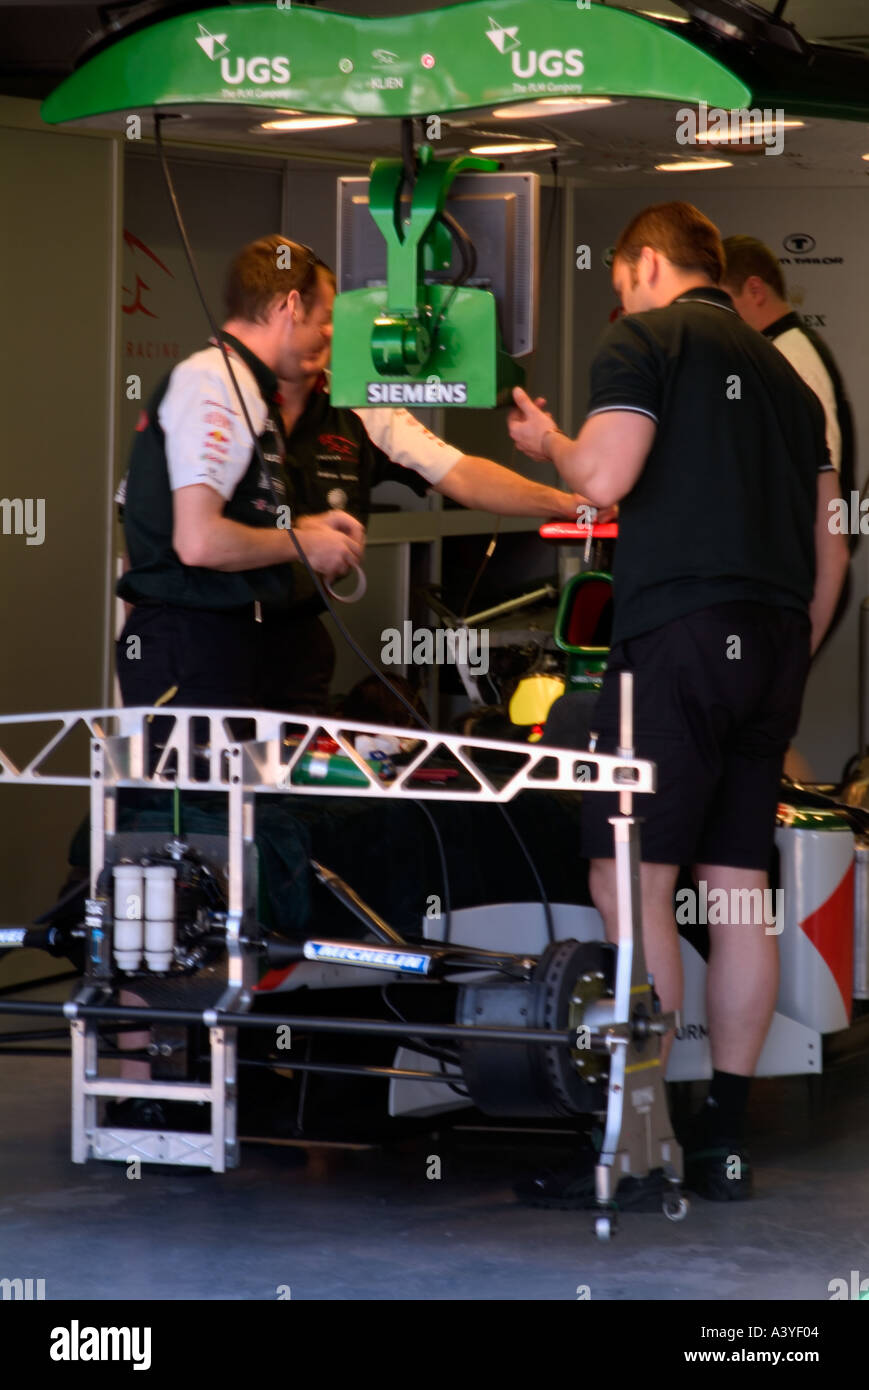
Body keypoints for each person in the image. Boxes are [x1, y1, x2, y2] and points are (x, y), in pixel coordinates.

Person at [507, 200, 848, 1206]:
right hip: (775, 641)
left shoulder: (642, 340)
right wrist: (787, 648)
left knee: (632, 879)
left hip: (676, 640)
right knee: (737, 886)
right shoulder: (791, 381)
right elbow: (828, 552)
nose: (619, 298)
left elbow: (604, 478)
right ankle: (724, 1139)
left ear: (646, 265)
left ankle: (636, 1129)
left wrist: (549, 442)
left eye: (618, 280)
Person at [117, 234, 586, 715]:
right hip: (197, 642)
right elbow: (184, 540)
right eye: (326, 322)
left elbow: (459, 473)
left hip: (291, 643)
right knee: (193, 793)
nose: (332, 336)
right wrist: (304, 541)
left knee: (288, 791)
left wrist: (571, 505)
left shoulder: (352, 402)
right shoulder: (213, 382)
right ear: (291, 306)